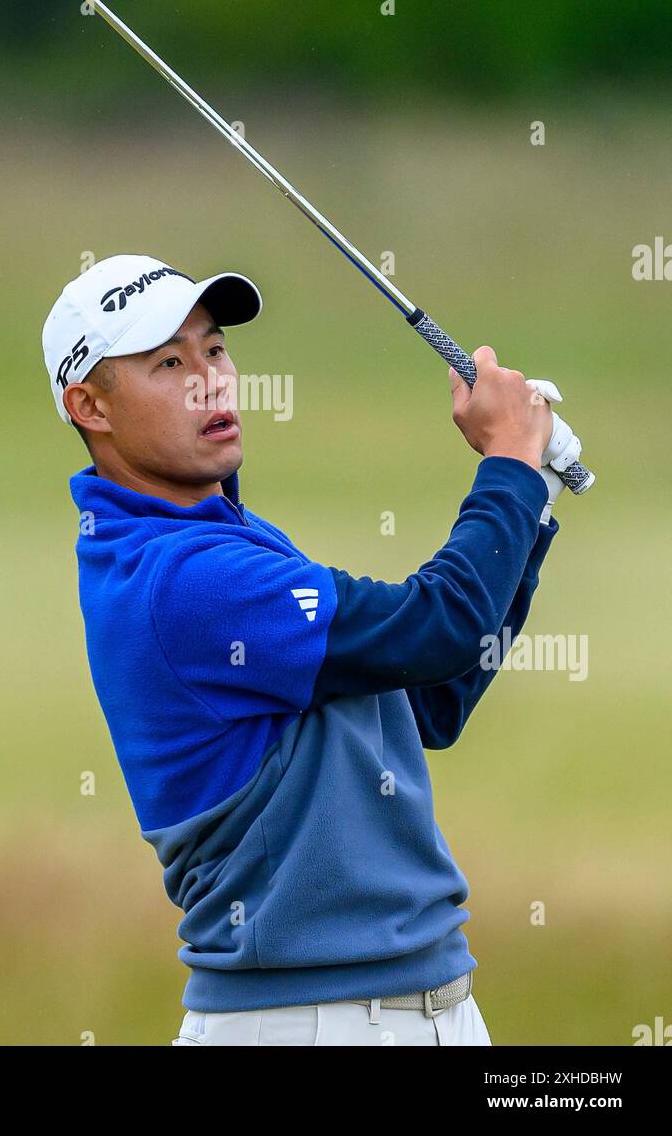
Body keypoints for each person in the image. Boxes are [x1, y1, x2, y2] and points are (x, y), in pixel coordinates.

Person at [42, 252, 562, 1047]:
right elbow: (434, 628)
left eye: (213, 350)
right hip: (306, 1023)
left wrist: (530, 502)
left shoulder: (233, 541)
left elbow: (429, 695)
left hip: (422, 1006)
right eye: (168, 364)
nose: (209, 380)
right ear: (91, 406)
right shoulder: (184, 578)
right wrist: (509, 469)